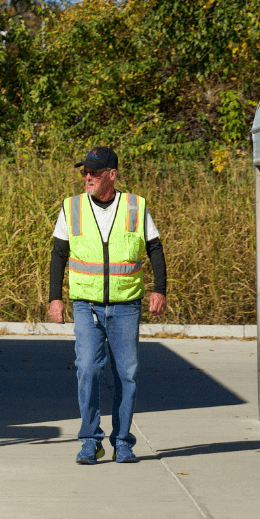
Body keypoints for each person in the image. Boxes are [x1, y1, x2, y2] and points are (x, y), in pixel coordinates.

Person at [46, 146, 167, 465]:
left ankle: (123, 442)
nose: (87, 177)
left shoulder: (135, 206)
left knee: (126, 373)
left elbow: (154, 248)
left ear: (111, 175)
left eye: (94, 173)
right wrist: (54, 297)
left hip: (126, 304)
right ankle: (89, 440)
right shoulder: (71, 207)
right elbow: (59, 254)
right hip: (86, 304)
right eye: (84, 172)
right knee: (86, 368)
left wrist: (160, 289)